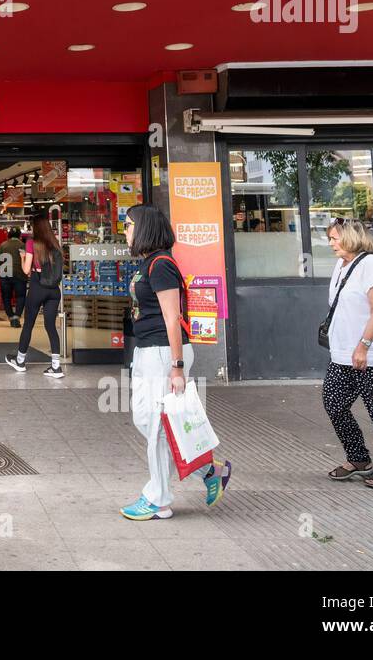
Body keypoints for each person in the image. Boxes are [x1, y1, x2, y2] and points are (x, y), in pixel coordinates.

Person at [120, 204, 231, 521]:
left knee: (156, 429)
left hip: (164, 353)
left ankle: (157, 499)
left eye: (128, 225)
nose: (125, 230)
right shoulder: (149, 263)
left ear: (143, 228)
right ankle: (209, 469)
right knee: (145, 420)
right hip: (146, 350)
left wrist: (177, 367)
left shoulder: (162, 264)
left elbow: (173, 318)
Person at [321, 218, 373, 489]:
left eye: (335, 238)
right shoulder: (341, 265)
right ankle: (359, 458)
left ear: (351, 238)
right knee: (333, 402)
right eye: (330, 238)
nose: (331, 243)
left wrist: (363, 346)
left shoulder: (371, 266)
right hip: (343, 354)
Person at [5, 213, 65, 378]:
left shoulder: (31, 243)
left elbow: (26, 270)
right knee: (51, 326)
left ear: (35, 227)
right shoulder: (55, 244)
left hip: (38, 287)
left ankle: (20, 361)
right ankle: (56, 367)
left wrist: (23, 256)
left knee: (29, 324)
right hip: (54, 290)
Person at [0, 227, 26, 329]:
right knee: (20, 296)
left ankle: (11, 317)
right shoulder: (22, 245)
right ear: (19, 235)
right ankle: (17, 316)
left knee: (6, 297)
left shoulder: (3, 245)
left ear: (8, 235)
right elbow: (26, 260)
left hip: (5, 274)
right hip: (19, 274)